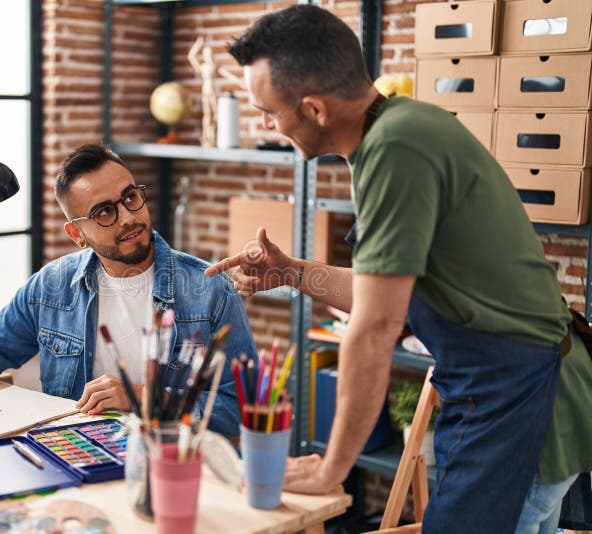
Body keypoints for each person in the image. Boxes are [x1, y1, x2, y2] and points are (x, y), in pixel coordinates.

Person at [206, 5, 592, 532]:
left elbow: (376, 327)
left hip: (523, 401)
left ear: (315, 109)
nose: (268, 125)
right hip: (505, 392)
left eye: (269, 113)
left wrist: (330, 468)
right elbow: (384, 297)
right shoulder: (392, 135)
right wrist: (291, 272)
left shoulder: (396, 148)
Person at [0, 144, 257, 438]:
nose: (127, 218)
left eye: (131, 197)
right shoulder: (51, 286)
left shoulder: (209, 288)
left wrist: (143, 399)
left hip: (170, 466)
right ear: (76, 234)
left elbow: (243, 408)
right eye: (104, 212)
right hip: (74, 456)